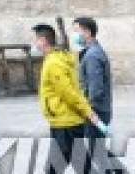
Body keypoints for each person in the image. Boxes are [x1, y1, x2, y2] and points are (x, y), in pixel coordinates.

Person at [33, 23, 108, 174]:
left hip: (65, 122)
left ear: (44, 40)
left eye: (36, 39)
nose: (34, 43)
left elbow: (68, 92)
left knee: (57, 166)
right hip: (64, 121)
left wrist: (88, 112)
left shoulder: (54, 62)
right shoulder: (55, 59)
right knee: (78, 165)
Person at [73, 17, 122, 173]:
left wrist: (88, 111)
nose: (74, 35)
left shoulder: (92, 55)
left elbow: (95, 89)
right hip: (100, 109)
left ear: (87, 32)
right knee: (98, 149)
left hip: (96, 110)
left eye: (76, 30)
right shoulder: (92, 52)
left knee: (97, 151)